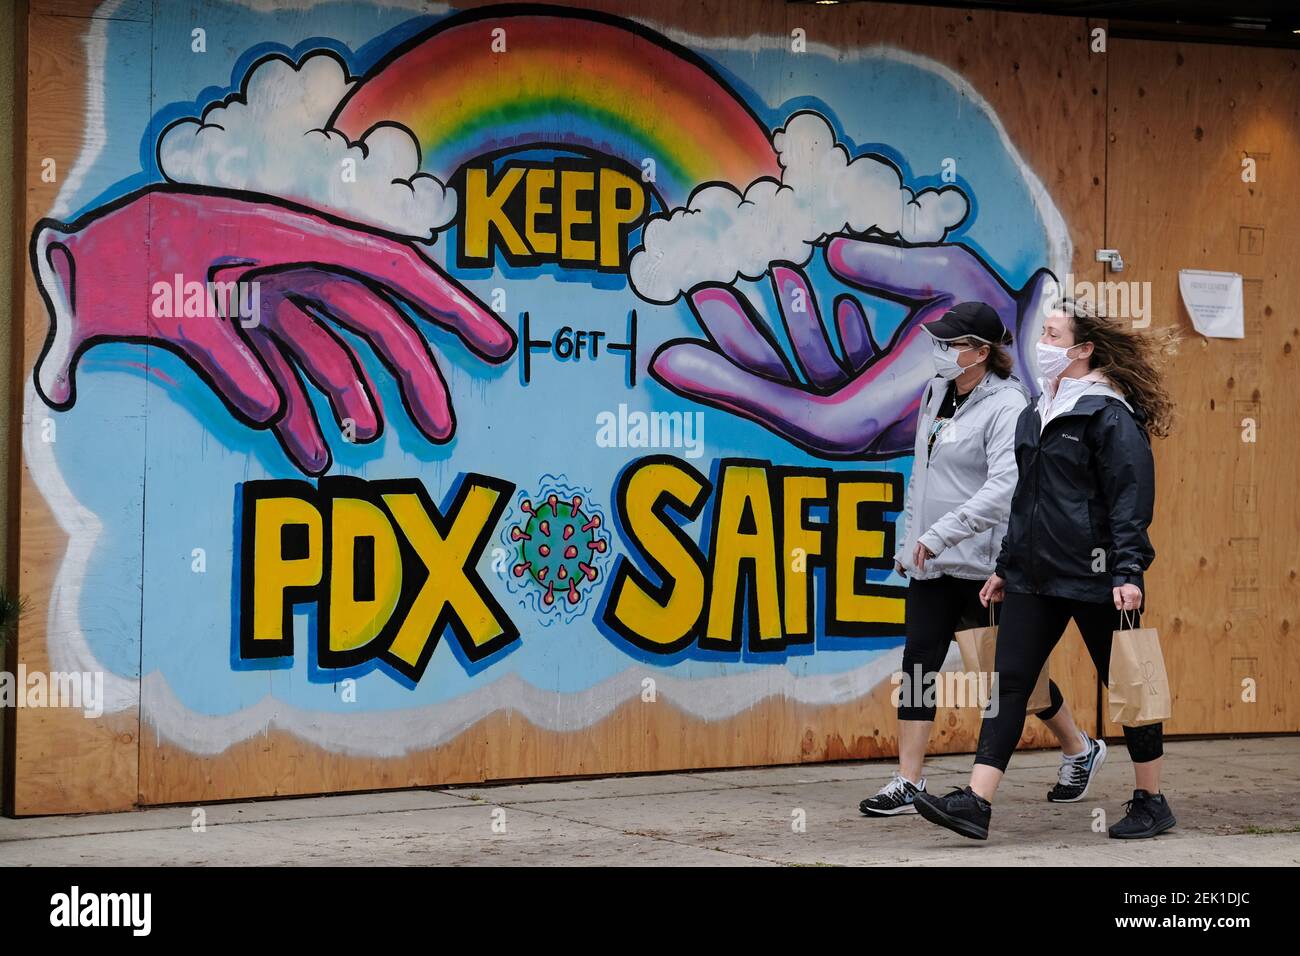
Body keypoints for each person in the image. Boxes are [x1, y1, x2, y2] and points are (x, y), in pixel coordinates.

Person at [913, 299, 1178, 840]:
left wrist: (1127, 571)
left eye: (1054, 336)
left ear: (1083, 350)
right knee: (1010, 684)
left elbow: (1130, 499)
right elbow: (1023, 500)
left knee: (1127, 684)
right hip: (1034, 576)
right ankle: (976, 803)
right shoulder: (1038, 411)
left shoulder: (1109, 414)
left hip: (1097, 575)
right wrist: (1006, 566)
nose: (1043, 344)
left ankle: (1152, 799)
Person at [860, 301, 1104, 818]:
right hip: (932, 561)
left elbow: (1004, 488)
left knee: (1003, 676)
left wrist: (944, 533)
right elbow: (921, 474)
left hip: (980, 565)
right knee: (919, 665)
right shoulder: (937, 392)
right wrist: (913, 541)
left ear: (981, 352)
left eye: (952, 344)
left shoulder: (1008, 404)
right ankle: (908, 779)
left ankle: (1079, 746)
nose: (941, 352)